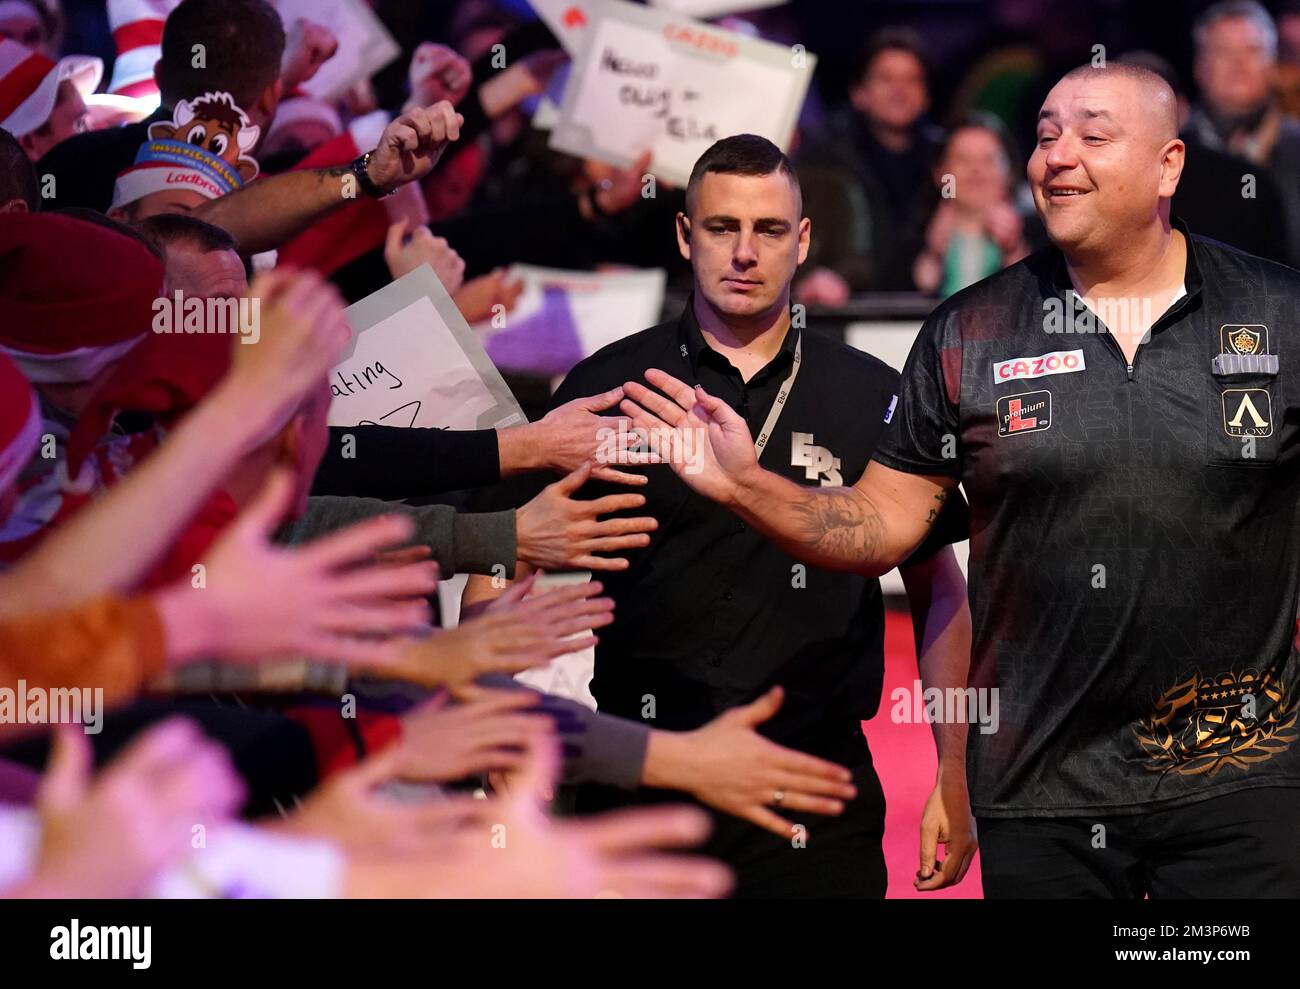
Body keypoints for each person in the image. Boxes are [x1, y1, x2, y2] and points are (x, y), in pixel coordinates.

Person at [623, 64, 1300, 899]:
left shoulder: (1279, 314)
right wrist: (743, 486)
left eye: (1093, 134)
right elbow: (880, 526)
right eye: (1046, 135)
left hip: (1244, 782)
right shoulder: (967, 332)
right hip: (1041, 798)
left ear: (1167, 166)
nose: (1058, 156)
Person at [465, 134, 976, 898]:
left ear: (802, 240)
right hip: (637, 775)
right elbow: (500, 556)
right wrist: (487, 724)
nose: (744, 252)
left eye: (769, 230)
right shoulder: (610, 383)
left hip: (815, 787)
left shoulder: (875, 394)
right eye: (720, 227)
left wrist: (956, 771)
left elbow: (939, 586)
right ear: (683, 234)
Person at [1186, 0, 1300, 266]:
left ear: (1274, 66)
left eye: (1253, 50)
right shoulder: (1168, 155)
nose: (1239, 64)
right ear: (1199, 66)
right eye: (1223, 51)